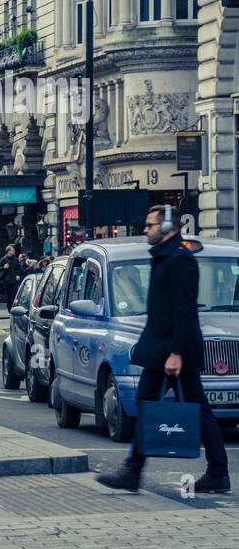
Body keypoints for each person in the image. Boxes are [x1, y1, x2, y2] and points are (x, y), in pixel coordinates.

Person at [97, 206, 231, 494]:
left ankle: (137, 470)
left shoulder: (180, 260)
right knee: (168, 405)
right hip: (162, 350)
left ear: (168, 226)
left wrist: (176, 353)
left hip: (172, 352)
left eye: (150, 225)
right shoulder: (164, 257)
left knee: (191, 409)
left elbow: (184, 311)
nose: (145, 230)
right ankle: (138, 469)